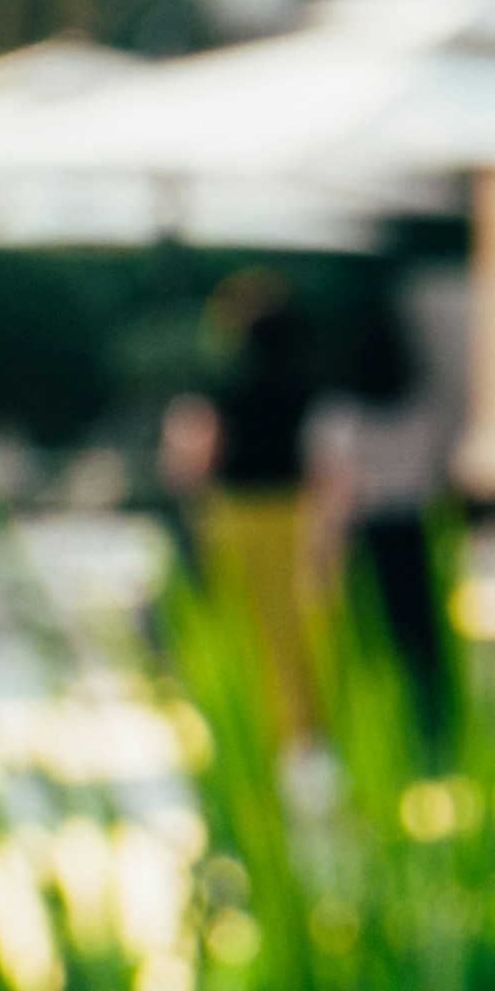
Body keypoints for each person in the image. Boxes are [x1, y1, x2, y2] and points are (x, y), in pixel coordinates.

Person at [166, 269, 325, 745]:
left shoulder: (223, 394)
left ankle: (251, 726)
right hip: (295, 517)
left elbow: (193, 469)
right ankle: (299, 725)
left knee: (244, 630)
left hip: (237, 520)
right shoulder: (309, 391)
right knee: (296, 631)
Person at [310, 264, 464, 747]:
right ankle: (433, 738)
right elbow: (442, 474)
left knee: (369, 649)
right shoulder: (421, 407)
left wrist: (321, 558)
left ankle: (379, 743)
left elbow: (335, 496)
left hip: (366, 538)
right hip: (413, 533)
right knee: (421, 648)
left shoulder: (338, 415)